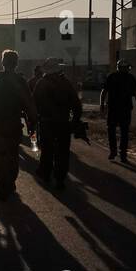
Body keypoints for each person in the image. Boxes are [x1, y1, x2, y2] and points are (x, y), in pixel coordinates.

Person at [0, 49, 36, 201]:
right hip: (13, 126)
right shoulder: (20, 81)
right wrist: (32, 124)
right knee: (12, 156)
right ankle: (9, 183)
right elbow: (29, 105)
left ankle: (5, 185)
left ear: (3, 62)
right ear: (16, 64)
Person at [33, 57, 83, 189]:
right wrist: (74, 122)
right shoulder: (65, 83)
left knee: (47, 150)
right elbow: (76, 105)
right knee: (62, 152)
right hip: (63, 124)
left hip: (46, 123)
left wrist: (33, 120)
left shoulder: (41, 83)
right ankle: (60, 179)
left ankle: (46, 174)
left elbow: (33, 104)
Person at [100, 58, 136, 162]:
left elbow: (104, 92)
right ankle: (123, 154)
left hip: (113, 108)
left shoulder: (112, 76)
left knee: (112, 130)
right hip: (125, 109)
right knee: (124, 132)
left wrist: (102, 105)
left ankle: (113, 151)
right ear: (126, 68)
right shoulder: (131, 78)